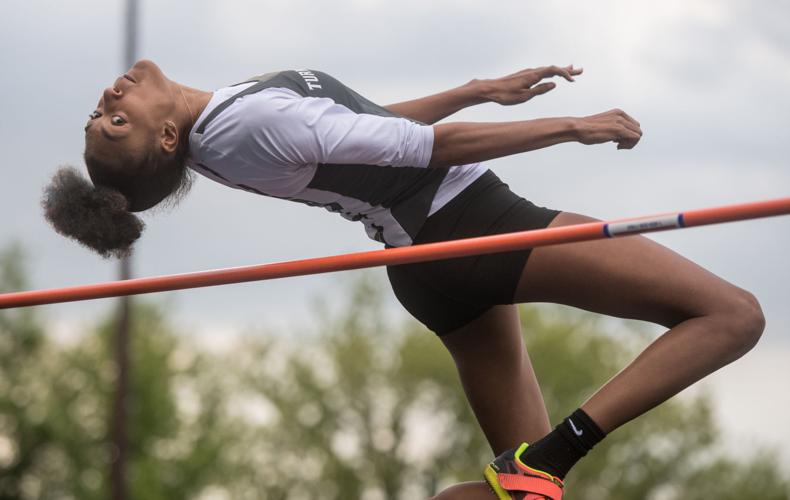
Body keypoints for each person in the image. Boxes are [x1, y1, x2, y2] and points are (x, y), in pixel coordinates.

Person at [42, 59, 765, 500]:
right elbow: (424, 149)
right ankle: (558, 450)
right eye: (116, 121)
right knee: (731, 316)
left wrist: (478, 90)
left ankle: (526, 471)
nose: (110, 96)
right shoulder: (245, 124)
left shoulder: (220, 126)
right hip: (466, 227)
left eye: (101, 114)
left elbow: (372, 129)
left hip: (426, 261)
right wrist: (572, 126)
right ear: (166, 138)